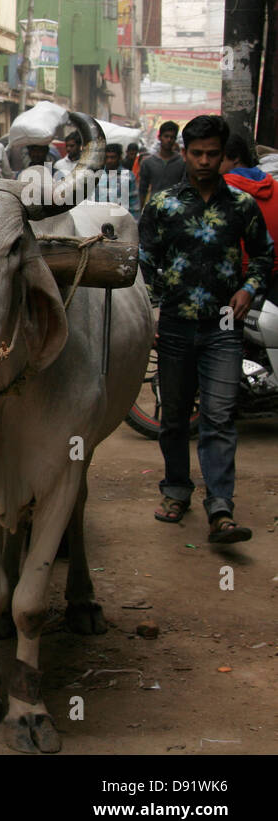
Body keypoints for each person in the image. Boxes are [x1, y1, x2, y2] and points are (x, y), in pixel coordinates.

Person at [138, 115, 274, 544]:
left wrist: (249, 290)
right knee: (175, 418)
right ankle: (176, 491)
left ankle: (220, 508)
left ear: (222, 155)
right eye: (196, 153)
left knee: (218, 416)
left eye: (212, 154)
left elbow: (264, 257)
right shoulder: (161, 206)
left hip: (223, 326)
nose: (203, 161)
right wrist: (160, 298)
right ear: (184, 152)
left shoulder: (242, 206)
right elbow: (144, 258)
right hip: (176, 325)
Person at [222, 134, 278, 277]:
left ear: (235, 158)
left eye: (214, 155)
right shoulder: (274, 186)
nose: (206, 162)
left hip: (240, 278)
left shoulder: (221, 191)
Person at [138, 120, 186, 210]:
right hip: (155, 209)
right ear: (159, 137)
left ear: (175, 139)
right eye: (166, 136)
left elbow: (185, 188)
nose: (169, 140)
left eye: (172, 137)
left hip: (175, 210)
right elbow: (142, 190)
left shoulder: (182, 163)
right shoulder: (148, 163)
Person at [95, 142, 139, 216]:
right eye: (107, 157)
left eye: (113, 157)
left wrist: (134, 222)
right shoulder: (96, 176)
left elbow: (134, 202)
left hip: (120, 220)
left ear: (119, 158)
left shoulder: (128, 176)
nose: (109, 161)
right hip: (99, 219)